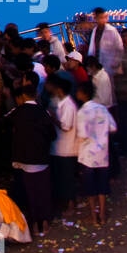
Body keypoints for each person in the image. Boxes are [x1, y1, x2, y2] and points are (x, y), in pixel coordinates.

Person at [10, 79, 56, 236]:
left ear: (23, 95)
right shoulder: (43, 112)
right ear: (36, 95)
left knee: (31, 192)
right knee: (43, 190)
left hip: (23, 158)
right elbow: (52, 134)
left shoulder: (17, 112)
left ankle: (35, 223)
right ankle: (45, 222)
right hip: (41, 158)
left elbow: (6, 124)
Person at [75, 78, 117, 226]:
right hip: (102, 155)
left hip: (87, 156)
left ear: (83, 93)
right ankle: (103, 215)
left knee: (90, 188)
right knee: (102, 187)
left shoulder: (82, 112)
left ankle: (94, 217)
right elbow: (113, 127)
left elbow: (82, 135)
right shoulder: (102, 109)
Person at [45, 75, 78, 220]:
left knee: (67, 178)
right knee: (61, 177)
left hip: (67, 148)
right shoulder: (60, 102)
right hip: (59, 147)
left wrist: (52, 117)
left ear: (59, 89)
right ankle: (64, 202)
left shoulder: (69, 105)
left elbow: (66, 126)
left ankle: (71, 205)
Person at [87, 8, 125, 76]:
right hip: (97, 64)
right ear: (95, 18)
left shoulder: (111, 30)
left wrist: (115, 63)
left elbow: (119, 48)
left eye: (104, 17)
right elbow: (92, 49)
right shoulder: (94, 31)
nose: (103, 20)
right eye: (100, 18)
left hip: (110, 66)